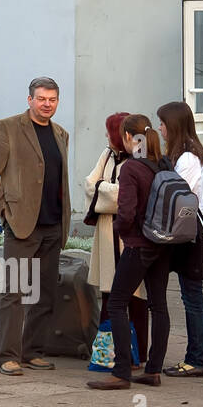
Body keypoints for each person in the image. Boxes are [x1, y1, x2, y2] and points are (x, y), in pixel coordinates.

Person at [0, 77, 71, 376]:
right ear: (30, 99)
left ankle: (33, 351)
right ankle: (8, 355)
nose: (47, 104)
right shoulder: (9, 128)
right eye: (42, 99)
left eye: (52, 99)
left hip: (53, 224)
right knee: (15, 292)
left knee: (45, 293)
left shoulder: (60, 133)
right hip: (21, 224)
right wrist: (3, 209)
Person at [87, 114, 171, 389]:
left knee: (117, 302)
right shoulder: (162, 162)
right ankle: (153, 370)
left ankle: (121, 371)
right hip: (163, 244)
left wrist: (124, 232)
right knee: (158, 305)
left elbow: (126, 211)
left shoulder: (132, 168)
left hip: (138, 245)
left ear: (127, 138)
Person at [85, 111, 151, 364]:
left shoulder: (139, 160)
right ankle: (107, 351)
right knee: (109, 293)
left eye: (107, 130)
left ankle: (137, 352)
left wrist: (103, 188)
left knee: (135, 295)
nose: (105, 135)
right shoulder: (108, 154)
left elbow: (124, 197)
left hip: (128, 236)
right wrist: (104, 190)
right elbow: (89, 184)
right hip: (106, 231)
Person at [157, 100, 203, 379]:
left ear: (174, 126)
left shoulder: (188, 158)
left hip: (191, 238)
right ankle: (195, 357)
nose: (160, 128)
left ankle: (196, 359)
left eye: (163, 124)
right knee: (190, 296)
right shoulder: (184, 154)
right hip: (185, 235)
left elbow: (180, 196)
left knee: (192, 298)